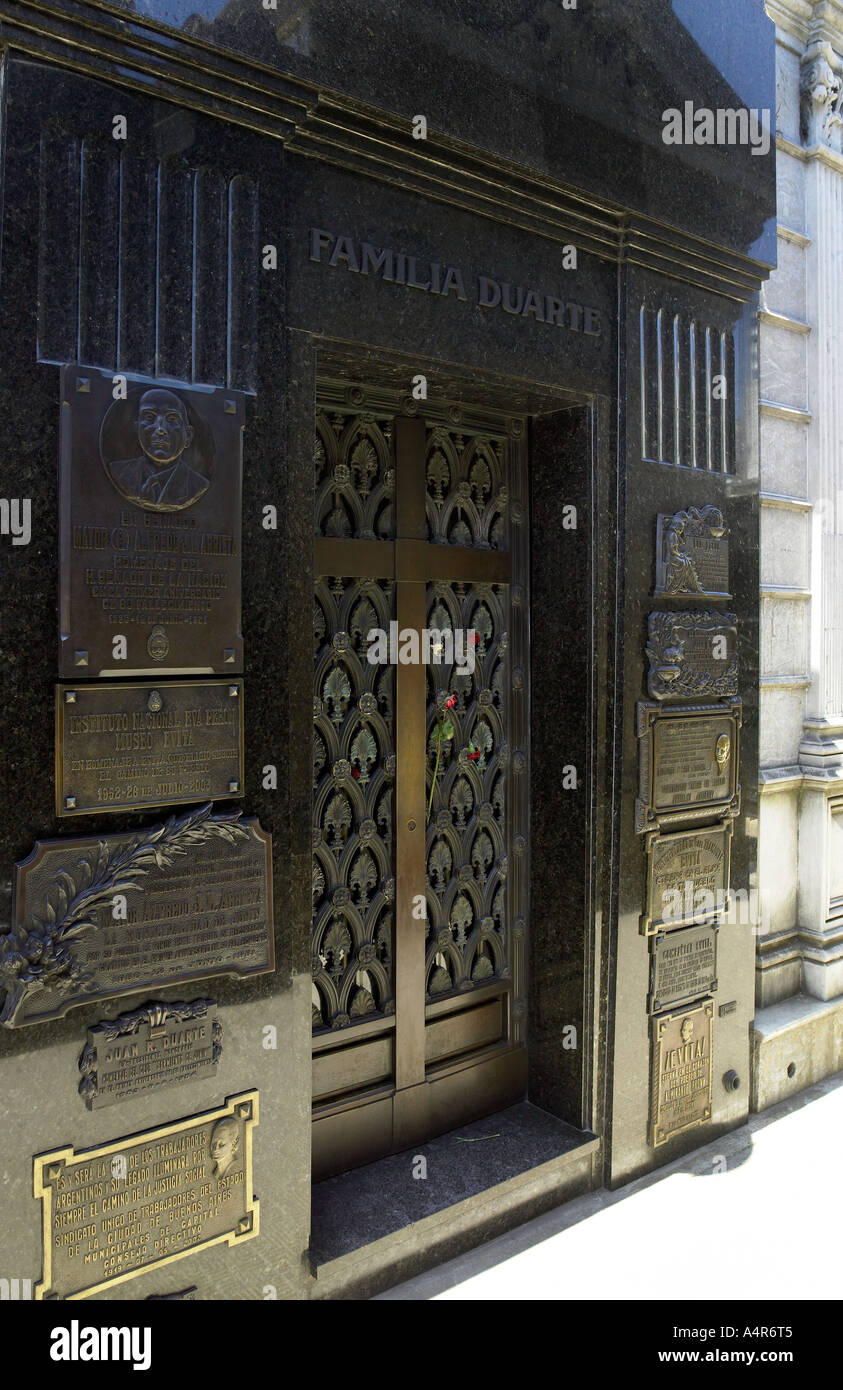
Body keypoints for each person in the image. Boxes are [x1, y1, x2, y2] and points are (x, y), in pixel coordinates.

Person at [107, 388, 209, 512]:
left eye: (172, 419)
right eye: (149, 417)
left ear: (188, 436)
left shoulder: (198, 485)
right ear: (137, 429)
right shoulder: (118, 472)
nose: (160, 428)